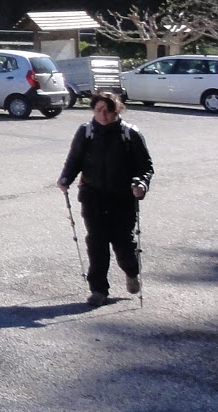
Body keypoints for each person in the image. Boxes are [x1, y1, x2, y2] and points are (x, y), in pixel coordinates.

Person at [58, 90, 153, 308]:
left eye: (108, 110)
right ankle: (98, 290)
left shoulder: (130, 134)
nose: (103, 115)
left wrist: (140, 184)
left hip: (123, 197)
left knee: (123, 244)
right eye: (99, 110)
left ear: (117, 110)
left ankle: (131, 271)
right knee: (96, 243)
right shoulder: (86, 132)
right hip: (92, 196)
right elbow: (74, 160)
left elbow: (145, 166)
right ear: (93, 110)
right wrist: (65, 178)